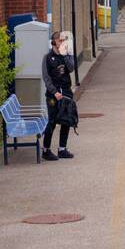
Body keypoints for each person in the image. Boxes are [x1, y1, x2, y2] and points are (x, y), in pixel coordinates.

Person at [41, 31, 77, 161]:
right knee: (52, 121)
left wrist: (67, 54)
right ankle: (46, 150)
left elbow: (72, 68)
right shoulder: (47, 57)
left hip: (66, 91)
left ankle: (62, 148)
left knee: (66, 119)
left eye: (64, 40)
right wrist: (54, 92)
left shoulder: (65, 55)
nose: (62, 42)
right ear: (54, 42)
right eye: (60, 40)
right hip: (53, 95)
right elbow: (46, 78)